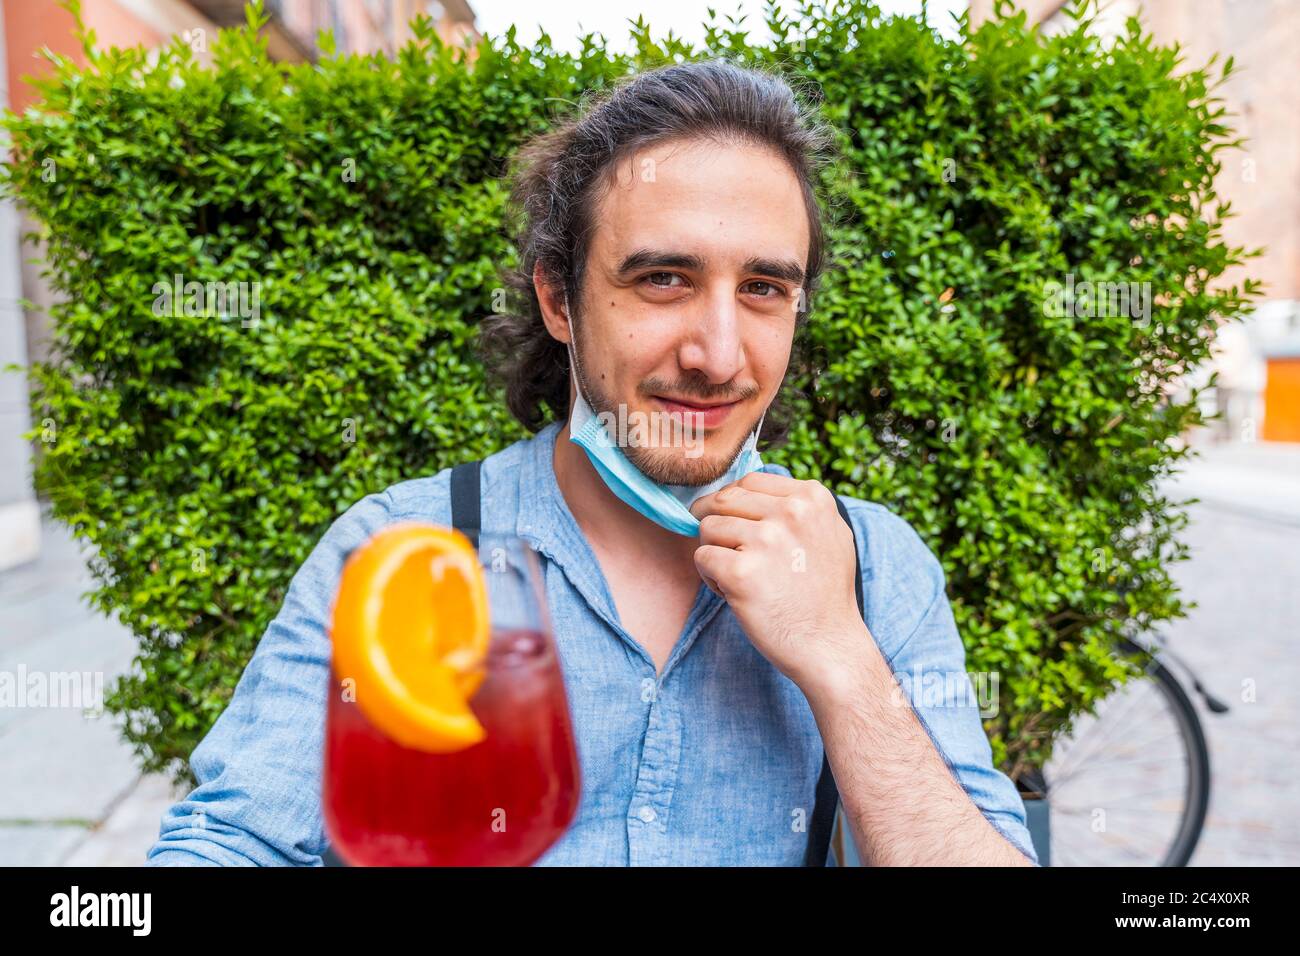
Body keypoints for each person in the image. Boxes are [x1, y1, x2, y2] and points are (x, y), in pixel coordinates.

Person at [147, 59, 1038, 866]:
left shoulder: (873, 570)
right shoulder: (408, 551)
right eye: (663, 279)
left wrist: (844, 663)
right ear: (558, 299)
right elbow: (224, 848)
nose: (719, 355)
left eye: (763, 289)